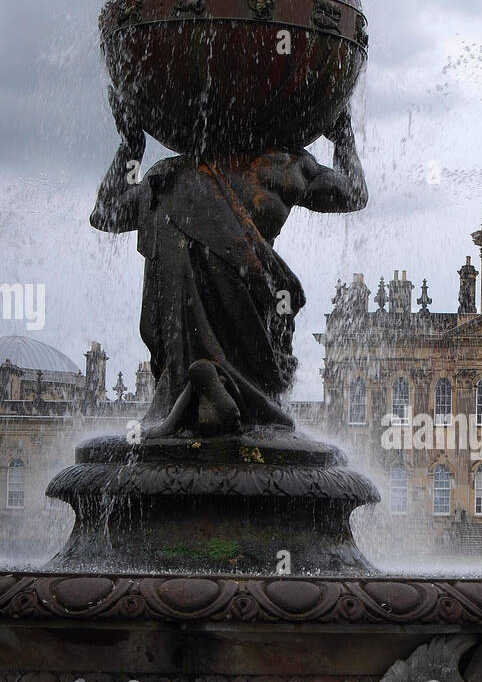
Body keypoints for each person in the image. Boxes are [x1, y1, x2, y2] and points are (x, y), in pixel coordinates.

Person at [91, 89, 367, 438]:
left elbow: (105, 214)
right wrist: (343, 136)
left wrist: (131, 146)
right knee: (265, 409)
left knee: (184, 361)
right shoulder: (289, 166)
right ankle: (223, 389)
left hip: (184, 325)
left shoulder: (169, 177)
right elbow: (355, 193)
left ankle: (194, 389)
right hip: (252, 305)